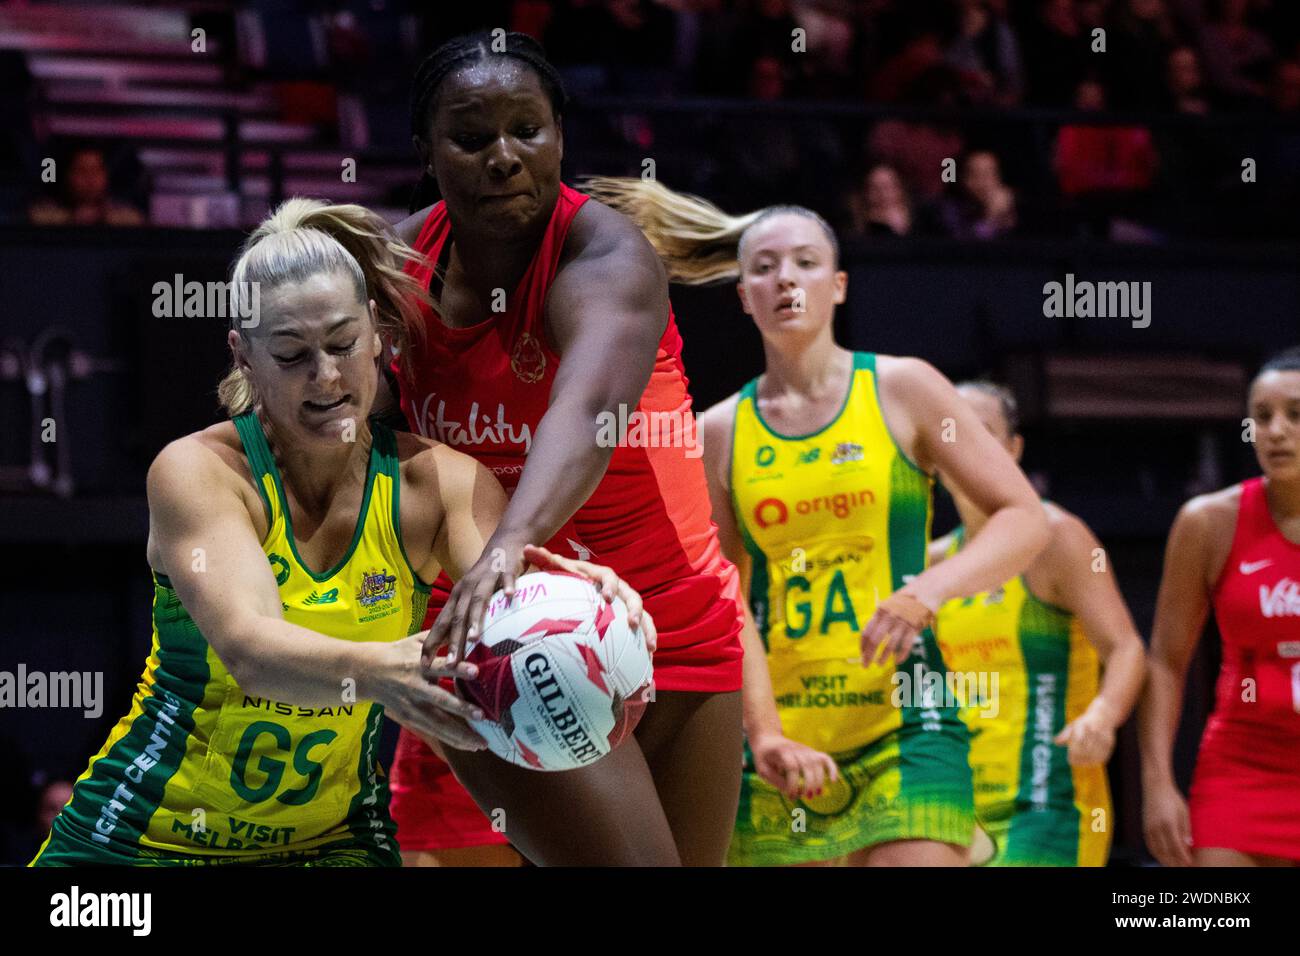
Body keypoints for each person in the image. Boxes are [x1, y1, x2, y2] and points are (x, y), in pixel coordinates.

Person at [30, 198, 646, 866]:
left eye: (343, 345)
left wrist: (579, 606)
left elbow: (508, 612)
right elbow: (252, 651)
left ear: (380, 334)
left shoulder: (439, 486)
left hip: (332, 844)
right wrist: (389, 670)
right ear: (244, 356)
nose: (325, 377)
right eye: (291, 354)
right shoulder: (198, 472)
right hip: (137, 841)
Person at [583, 177, 1051, 866]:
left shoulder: (904, 388)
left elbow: (1023, 519)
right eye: (765, 267)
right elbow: (726, 597)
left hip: (906, 724)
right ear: (744, 297)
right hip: (785, 738)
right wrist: (764, 732)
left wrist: (928, 592)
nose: (785, 279)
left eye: (805, 262)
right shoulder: (719, 430)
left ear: (838, 285)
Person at [379, 31, 747, 867]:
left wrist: (514, 539)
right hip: (497, 630)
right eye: (472, 138)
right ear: (427, 154)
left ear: (560, 138)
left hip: (676, 615)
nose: (503, 157)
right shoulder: (396, 272)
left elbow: (585, 414)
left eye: (528, 131)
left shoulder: (607, 255)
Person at [929, 381, 1146, 866]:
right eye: (950, 434)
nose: (964, 448)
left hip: (1049, 810)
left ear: (1014, 448)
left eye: (982, 434)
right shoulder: (930, 562)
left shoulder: (1057, 538)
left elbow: (1126, 647)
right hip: (951, 813)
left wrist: (1103, 716)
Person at [1141, 347, 1300, 867]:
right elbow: (1165, 661)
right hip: (1241, 772)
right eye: (1262, 416)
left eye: (1295, 415)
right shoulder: (1208, 523)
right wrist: (1158, 784)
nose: (1275, 431)